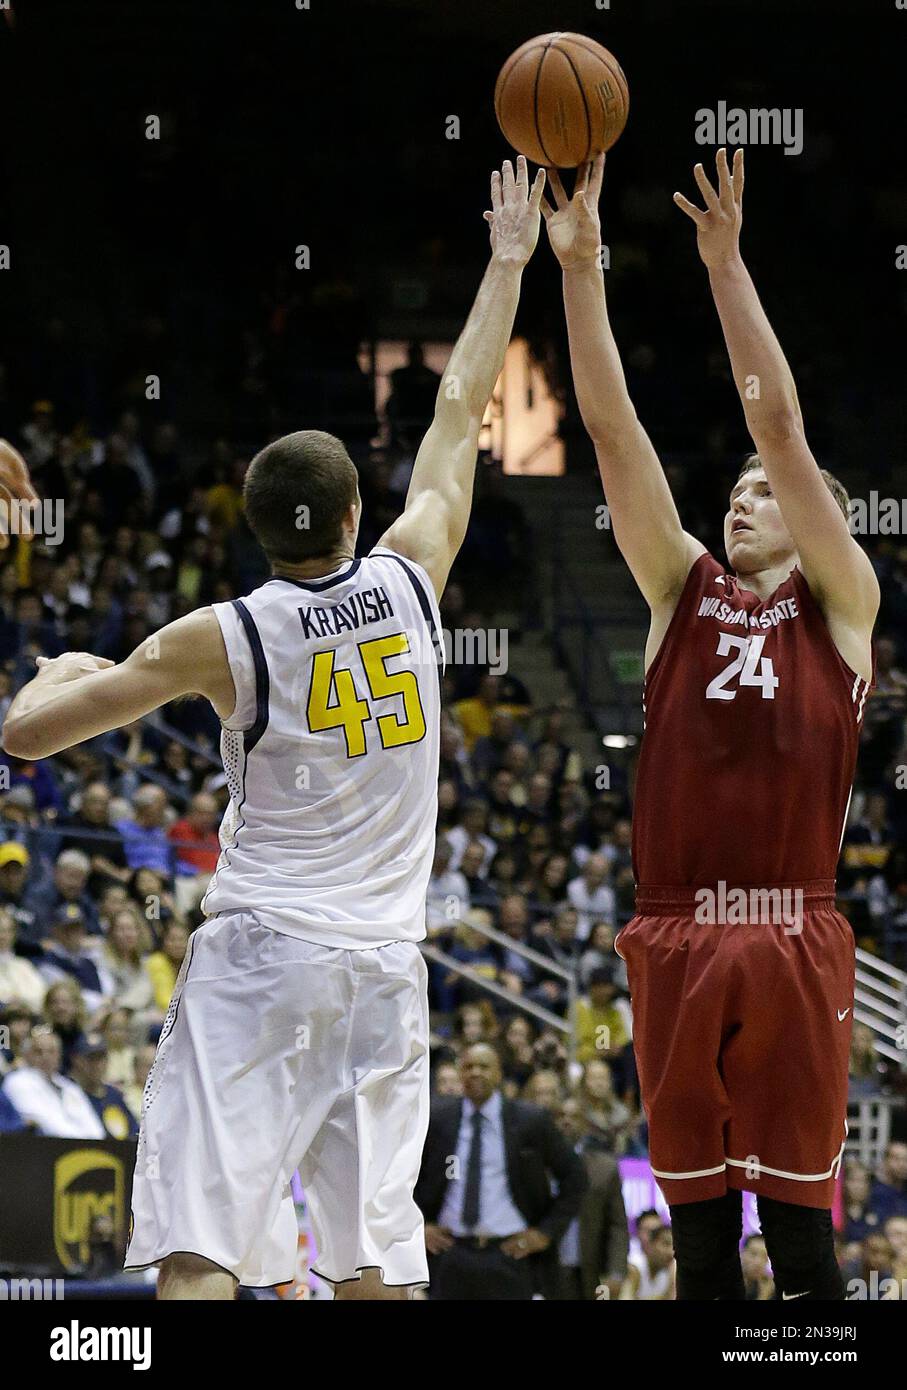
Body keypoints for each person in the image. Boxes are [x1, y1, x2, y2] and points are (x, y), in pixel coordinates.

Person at [1, 156, 546, 1302]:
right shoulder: (412, 576)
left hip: (261, 958)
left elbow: (31, 739)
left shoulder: (222, 634)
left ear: (256, 535)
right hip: (387, 971)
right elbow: (458, 409)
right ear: (356, 515)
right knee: (370, 1270)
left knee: (198, 1250)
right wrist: (506, 262)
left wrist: (56, 665)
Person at [543, 148, 878, 1300]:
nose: (742, 497)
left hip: (790, 928)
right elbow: (610, 427)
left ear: (809, 514)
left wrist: (724, 269)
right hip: (675, 927)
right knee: (696, 1252)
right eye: (728, 491)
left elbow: (778, 430)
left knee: (800, 1247)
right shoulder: (674, 589)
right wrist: (581, 268)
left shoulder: (840, 600)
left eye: (762, 494)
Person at [415, 1043, 585, 1300]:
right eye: (469, 1066)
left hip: (509, 1256)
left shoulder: (530, 1120)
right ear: (460, 1073)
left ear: (499, 1073)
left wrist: (545, 1233)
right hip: (450, 1255)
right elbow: (407, 1177)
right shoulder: (438, 1119)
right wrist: (419, 1226)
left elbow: (576, 1177)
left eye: (484, 1066)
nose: (475, 1073)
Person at [555, 1096, 629, 1301]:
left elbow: (617, 1225)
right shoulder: (535, 1164)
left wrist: (616, 1272)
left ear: (586, 1125)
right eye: (560, 1115)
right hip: (545, 1270)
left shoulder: (605, 1168)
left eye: (573, 1116)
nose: (566, 1121)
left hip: (586, 1270)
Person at [1, 1027, 105, 1138]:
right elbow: (45, 1124)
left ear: (59, 1055)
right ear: (26, 1055)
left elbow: (94, 1128)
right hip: (47, 1148)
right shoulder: (18, 1081)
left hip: (85, 1149)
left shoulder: (69, 1086)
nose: (46, 1057)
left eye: (51, 1051)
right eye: (38, 1052)